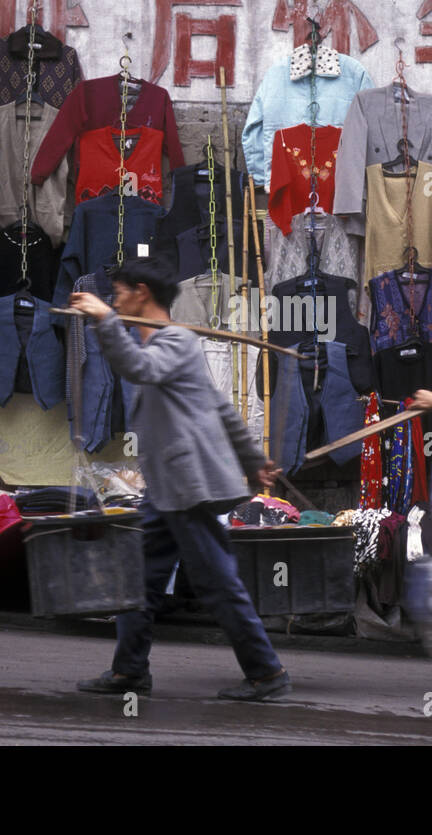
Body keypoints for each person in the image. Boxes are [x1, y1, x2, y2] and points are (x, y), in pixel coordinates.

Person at [68, 257, 291, 701]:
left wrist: (105, 320)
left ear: (140, 294)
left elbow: (137, 369)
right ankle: (129, 670)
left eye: (118, 293)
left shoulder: (175, 343)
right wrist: (254, 461)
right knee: (140, 579)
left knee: (217, 582)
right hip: (167, 491)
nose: (114, 300)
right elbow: (221, 409)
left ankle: (266, 673)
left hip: (189, 488)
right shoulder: (170, 348)